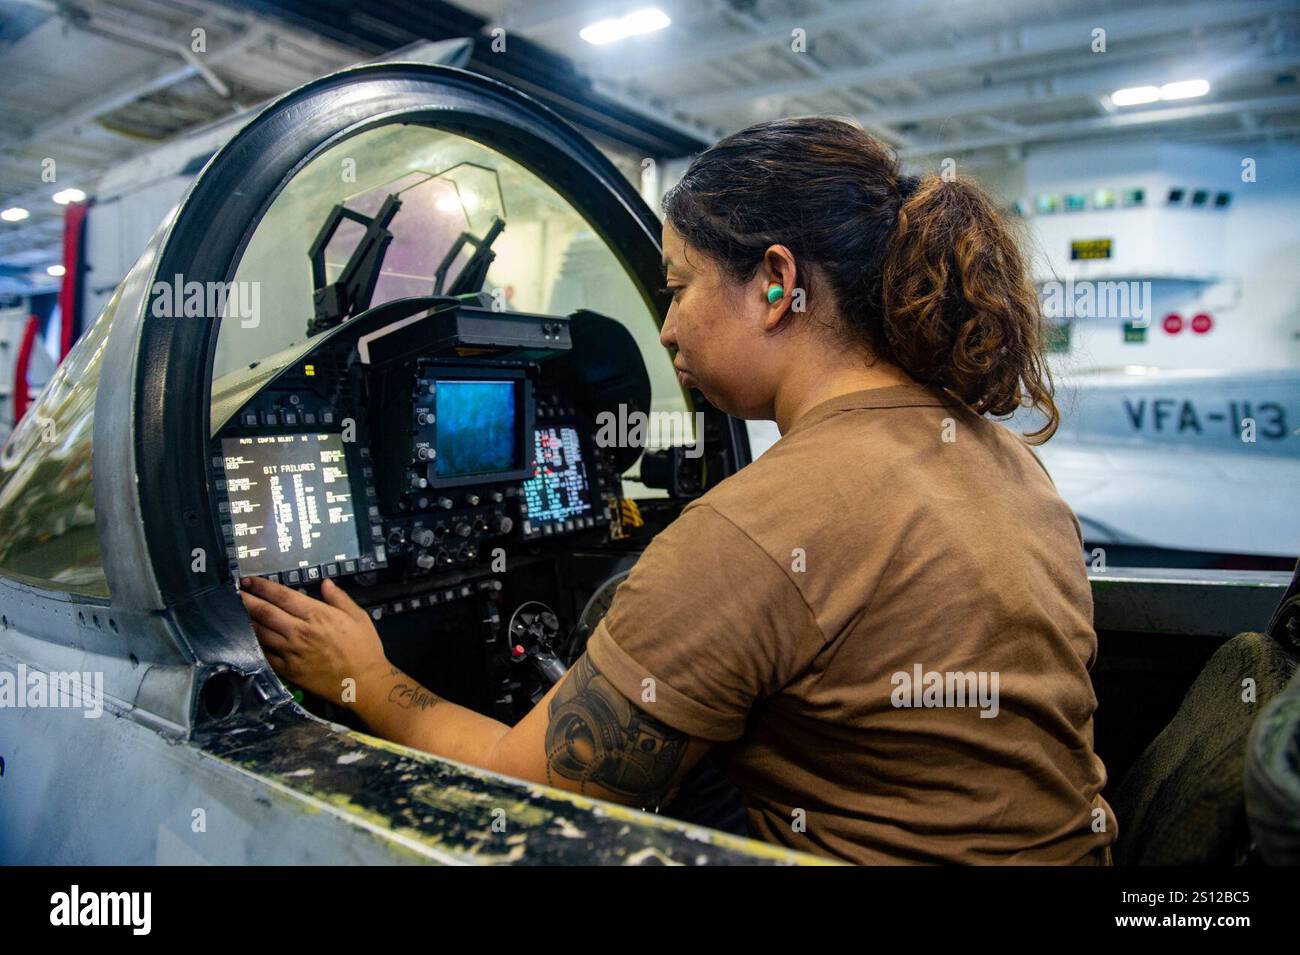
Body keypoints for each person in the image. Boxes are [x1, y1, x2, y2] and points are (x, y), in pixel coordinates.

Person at [240, 116, 1116, 865]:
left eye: (679, 287)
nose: (664, 326)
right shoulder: (999, 455)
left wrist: (362, 676)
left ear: (776, 285)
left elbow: (525, 783)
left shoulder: (758, 526)